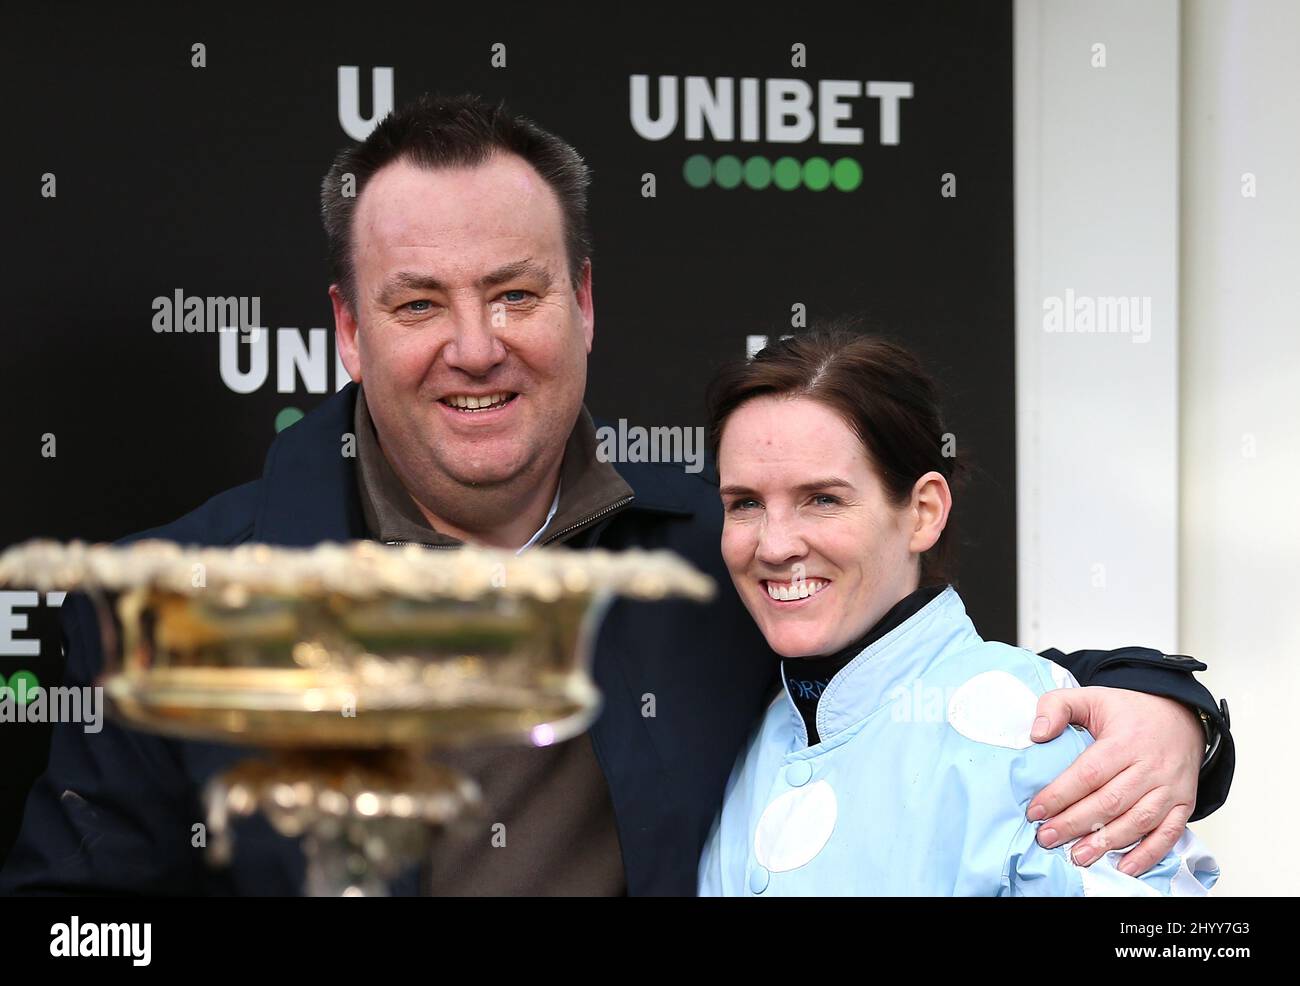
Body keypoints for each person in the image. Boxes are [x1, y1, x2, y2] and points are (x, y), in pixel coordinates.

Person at [0, 95, 1233, 896]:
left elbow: (938, 684)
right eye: (418, 302)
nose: (474, 347)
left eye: (517, 293)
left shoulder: (718, 567)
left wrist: (1171, 709)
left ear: (583, 306)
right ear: (347, 330)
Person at [698, 329, 1219, 895]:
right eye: (745, 503)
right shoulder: (742, 727)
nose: (774, 546)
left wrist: (1186, 716)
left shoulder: (1041, 734)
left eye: (823, 499)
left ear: (923, 512)